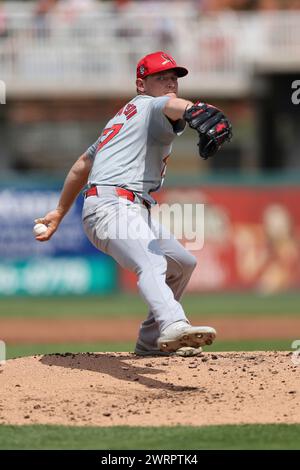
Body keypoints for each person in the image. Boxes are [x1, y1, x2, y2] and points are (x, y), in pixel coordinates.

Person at [35, 51, 230, 357]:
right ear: (142, 84)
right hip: (111, 207)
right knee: (152, 263)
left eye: (174, 77)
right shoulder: (152, 105)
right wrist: (195, 110)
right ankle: (173, 324)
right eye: (161, 77)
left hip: (124, 207)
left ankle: (151, 342)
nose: (170, 83)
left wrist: (60, 211)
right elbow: (170, 105)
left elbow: (80, 166)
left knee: (182, 264)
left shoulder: (122, 118)